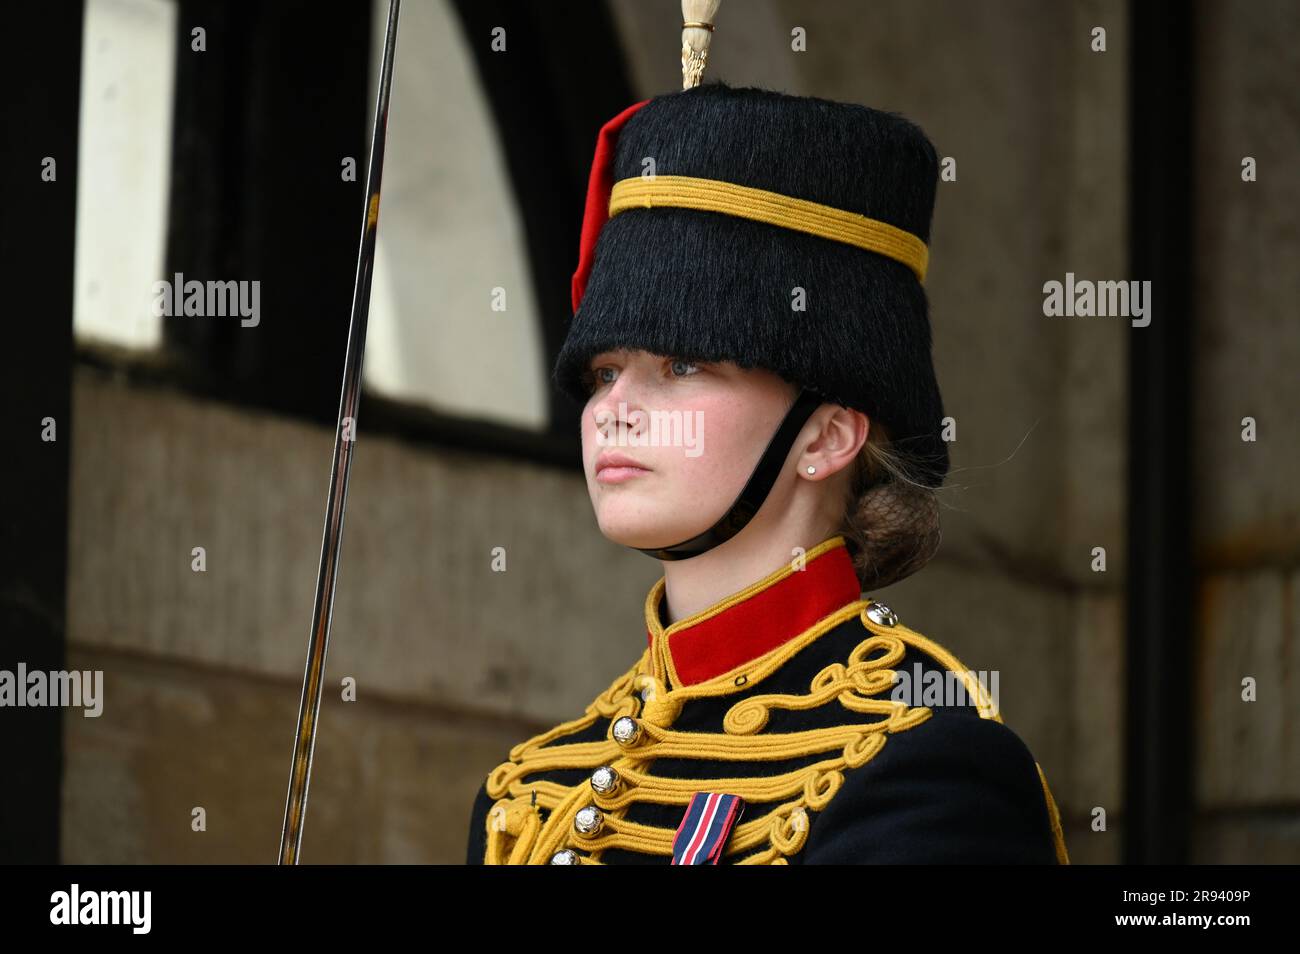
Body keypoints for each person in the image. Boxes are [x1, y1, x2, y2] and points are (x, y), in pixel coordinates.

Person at [464, 80, 1069, 865]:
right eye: (605, 370)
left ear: (826, 435)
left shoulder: (926, 775)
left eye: (681, 365)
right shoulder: (526, 798)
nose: (614, 408)